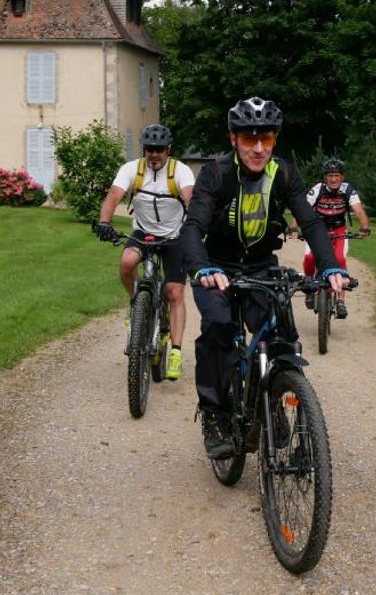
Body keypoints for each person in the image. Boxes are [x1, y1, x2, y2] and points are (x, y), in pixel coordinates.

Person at [181, 97, 350, 460]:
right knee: (219, 328)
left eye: (267, 139)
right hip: (217, 268)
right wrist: (200, 267)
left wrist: (331, 267)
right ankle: (214, 415)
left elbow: (311, 221)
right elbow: (193, 225)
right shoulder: (215, 174)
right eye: (249, 139)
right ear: (233, 139)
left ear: (274, 140)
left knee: (281, 336)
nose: (258, 148)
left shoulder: (285, 173)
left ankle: (276, 401)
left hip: (261, 266)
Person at [94, 124, 195, 381]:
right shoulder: (132, 169)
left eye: (160, 149)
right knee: (127, 262)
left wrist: (197, 224)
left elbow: (190, 197)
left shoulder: (179, 171)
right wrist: (104, 222)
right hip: (143, 232)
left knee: (174, 292)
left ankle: (175, 351)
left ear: (168, 149)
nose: (155, 154)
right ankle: (137, 304)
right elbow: (114, 195)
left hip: (174, 236)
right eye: (150, 149)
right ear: (145, 150)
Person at [291, 157, 371, 319]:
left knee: (340, 259)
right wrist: (294, 226)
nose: (333, 179)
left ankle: (341, 300)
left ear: (342, 177)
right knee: (309, 258)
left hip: (339, 230)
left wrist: (364, 227)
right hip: (317, 230)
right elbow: (302, 208)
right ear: (325, 177)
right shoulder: (318, 189)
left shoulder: (348, 190)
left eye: (337, 175)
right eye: (330, 175)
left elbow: (358, 210)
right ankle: (309, 288)